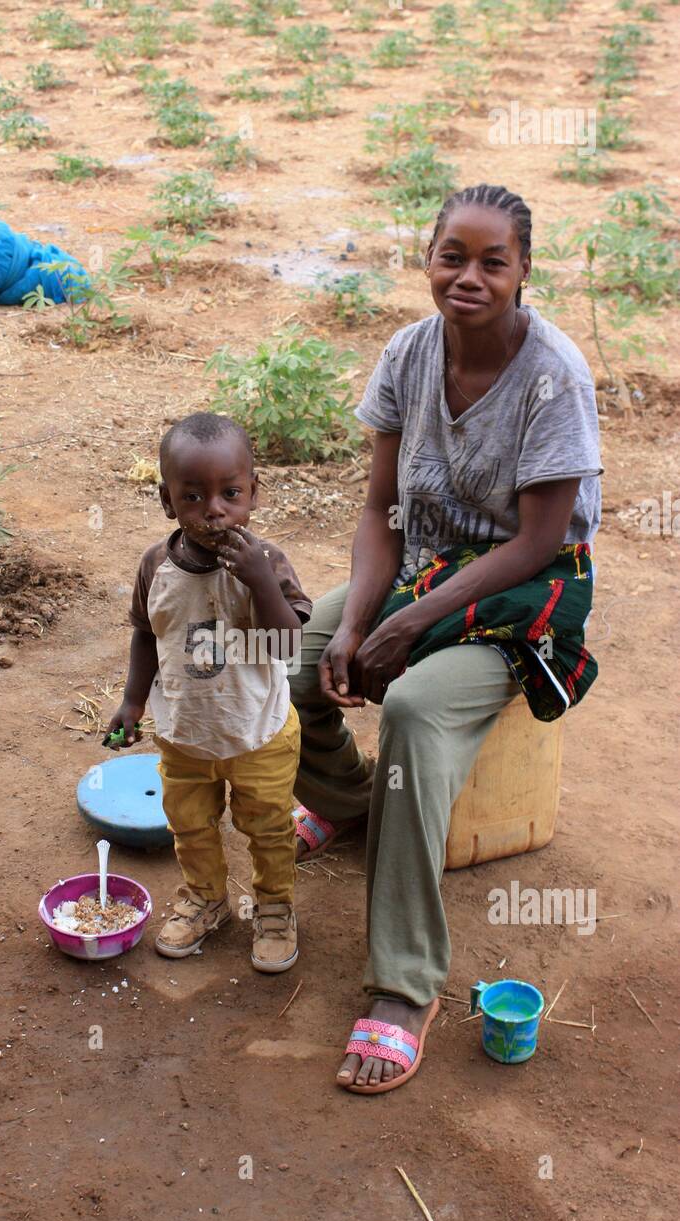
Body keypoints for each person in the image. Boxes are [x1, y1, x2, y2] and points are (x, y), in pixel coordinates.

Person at [287, 184, 602, 1094]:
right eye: (451, 257)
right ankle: (349, 803)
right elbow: (380, 510)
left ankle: (404, 983)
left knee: (418, 710)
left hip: (524, 594)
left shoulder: (555, 375)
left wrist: (407, 625)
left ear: (522, 272)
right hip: (425, 566)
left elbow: (540, 541)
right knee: (297, 653)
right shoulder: (409, 352)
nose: (468, 277)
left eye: (491, 262)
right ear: (428, 259)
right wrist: (356, 622)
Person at [106, 412, 313, 973]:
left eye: (230, 493)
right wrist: (132, 701)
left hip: (258, 735)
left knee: (268, 827)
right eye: (193, 496)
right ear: (167, 501)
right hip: (184, 737)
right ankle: (206, 898)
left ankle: (273, 907)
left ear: (253, 494)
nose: (214, 509)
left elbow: (287, 645)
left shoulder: (265, 562)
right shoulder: (155, 565)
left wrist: (260, 583)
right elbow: (147, 634)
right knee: (191, 826)